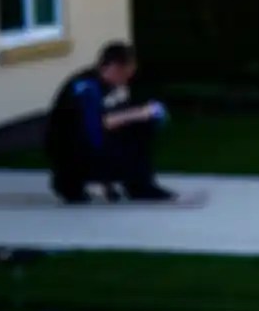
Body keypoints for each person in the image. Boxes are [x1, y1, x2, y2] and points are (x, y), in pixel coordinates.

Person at [45, 41, 175, 203]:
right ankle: (71, 181)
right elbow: (98, 124)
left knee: (143, 124)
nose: (128, 79)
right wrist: (140, 113)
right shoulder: (86, 86)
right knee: (139, 122)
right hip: (72, 150)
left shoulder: (110, 86)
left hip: (91, 143)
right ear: (114, 67)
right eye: (126, 73)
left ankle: (138, 183)